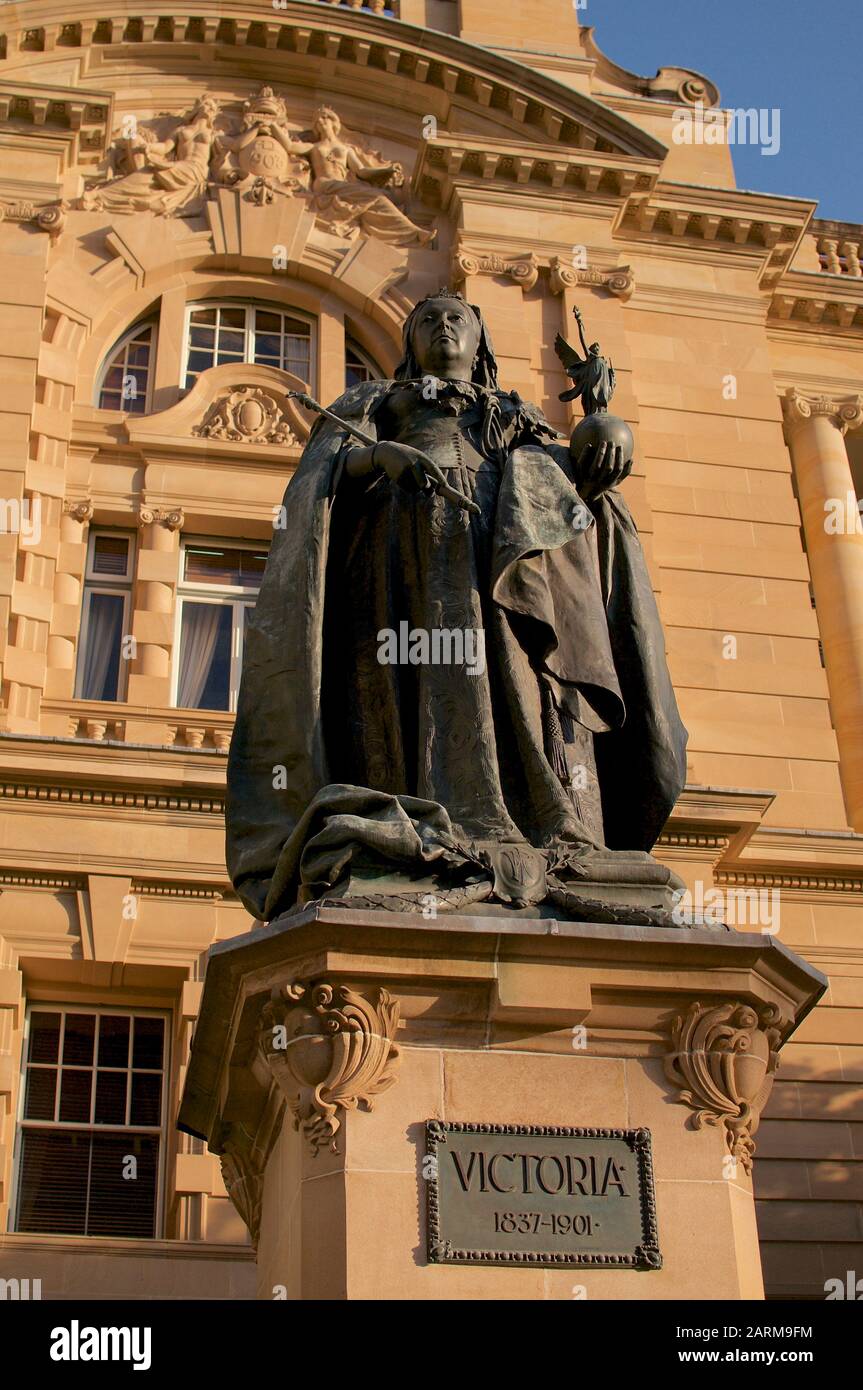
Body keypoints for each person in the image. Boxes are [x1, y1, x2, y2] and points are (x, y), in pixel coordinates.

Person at [227, 291, 687, 920]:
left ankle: (545, 822)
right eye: (428, 320)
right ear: (410, 343)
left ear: (479, 342)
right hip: (397, 564)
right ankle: (414, 818)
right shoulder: (373, 404)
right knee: (408, 686)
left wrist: (606, 423)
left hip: (500, 566)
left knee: (518, 685)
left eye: (458, 319)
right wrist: (377, 457)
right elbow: (319, 483)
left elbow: (575, 485)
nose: (444, 327)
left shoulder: (514, 413)